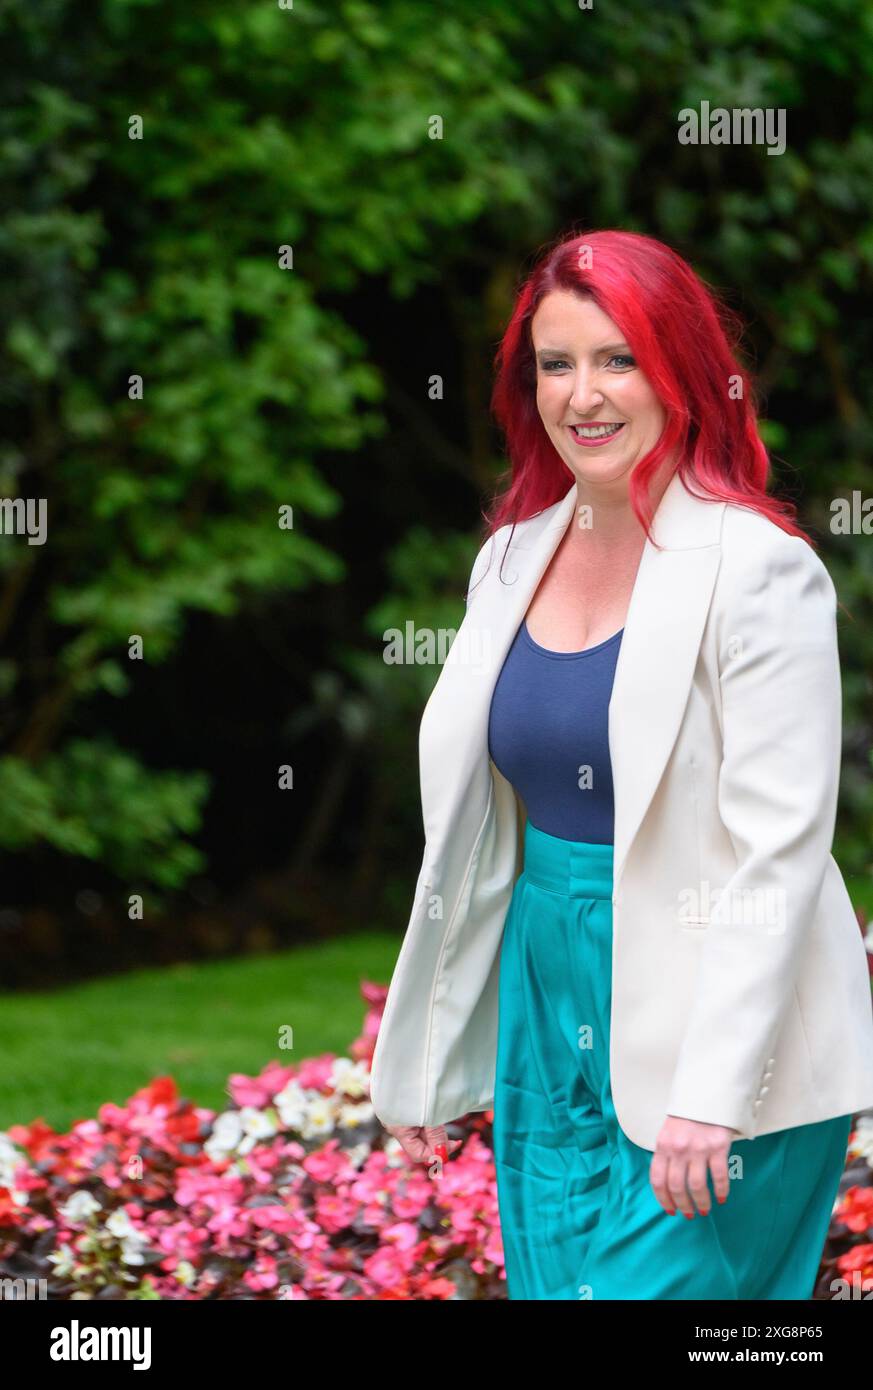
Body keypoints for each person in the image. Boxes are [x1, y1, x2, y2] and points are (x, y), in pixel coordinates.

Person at [368, 229, 873, 1299]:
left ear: (683, 371)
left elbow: (779, 853)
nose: (583, 394)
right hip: (549, 1001)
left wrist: (713, 1089)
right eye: (557, 363)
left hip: (731, 1022)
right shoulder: (510, 557)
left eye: (619, 358)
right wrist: (431, 1060)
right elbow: (480, 839)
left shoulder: (758, 572)